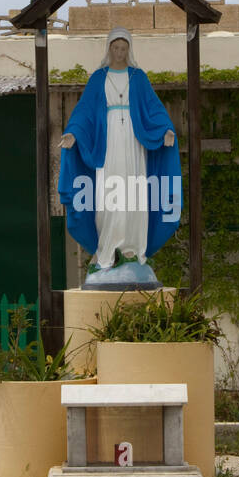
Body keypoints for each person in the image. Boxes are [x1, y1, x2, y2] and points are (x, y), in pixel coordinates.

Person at [56, 27, 181, 286]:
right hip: (108, 140)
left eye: (124, 48)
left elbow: (154, 108)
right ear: (109, 49)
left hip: (134, 142)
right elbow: (84, 112)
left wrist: (166, 129)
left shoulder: (138, 77)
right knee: (107, 191)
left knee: (133, 190)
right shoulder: (98, 78)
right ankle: (107, 249)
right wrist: (73, 134)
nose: (120, 52)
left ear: (129, 50)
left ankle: (132, 249)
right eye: (116, 48)